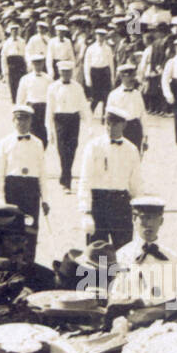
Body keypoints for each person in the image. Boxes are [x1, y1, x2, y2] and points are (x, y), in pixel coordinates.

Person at [77, 108, 142, 257]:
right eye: (107, 123)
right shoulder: (93, 146)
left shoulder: (131, 149)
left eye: (115, 124)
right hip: (98, 203)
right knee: (95, 254)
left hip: (121, 204)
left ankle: (121, 281)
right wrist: (85, 212)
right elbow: (85, 180)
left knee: (124, 251)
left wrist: (139, 211)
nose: (110, 128)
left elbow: (136, 183)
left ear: (124, 125)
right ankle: (96, 281)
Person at [0, 106, 50, 230]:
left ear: (31, 121)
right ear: (13, 120)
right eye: (19, 119)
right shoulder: (4, 143)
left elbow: (42, 171)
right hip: (12, 188)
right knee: (11, 230)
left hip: (31, 189)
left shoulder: (38, 143)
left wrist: (45, 199)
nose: (22, 123)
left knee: (31, 228)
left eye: (26, 119)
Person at [45, 60, 88, 193]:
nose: (66, 74)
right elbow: (49, 109)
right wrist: (49, 129)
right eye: (63, 72)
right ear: (59, 72)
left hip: (74, 119)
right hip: (60, 119)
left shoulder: (77, 87)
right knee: (62, 150)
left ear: (72, 72)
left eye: (68, 72)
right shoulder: (53, 87)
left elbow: (83, 106)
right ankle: (66, 180)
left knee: (72, 148)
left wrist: (89, 125)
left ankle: (65, 176)